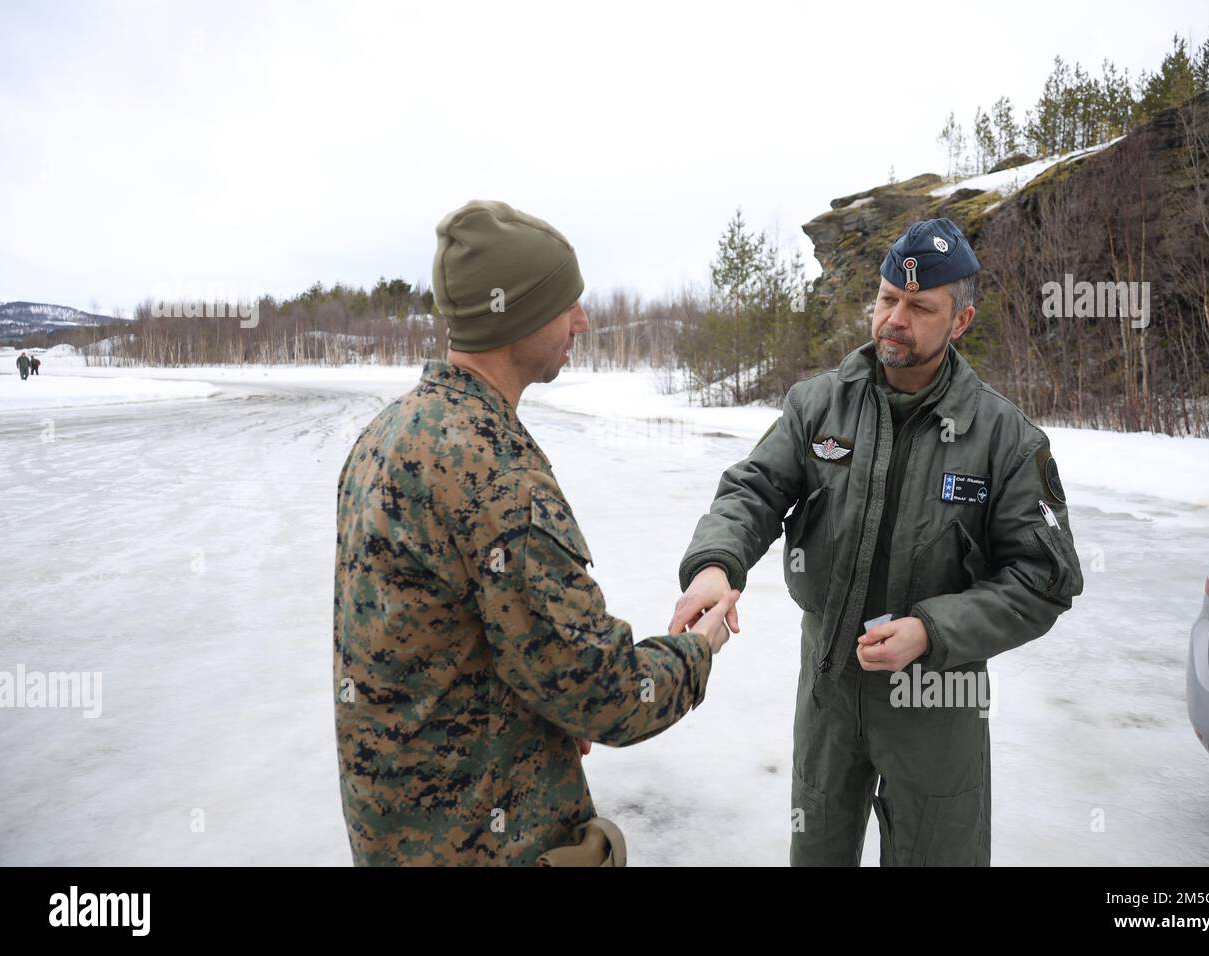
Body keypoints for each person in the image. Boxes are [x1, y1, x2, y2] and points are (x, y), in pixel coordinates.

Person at [334, 199, 736, 866]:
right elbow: (604, 693)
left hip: (399, 832)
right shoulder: (496, 474)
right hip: (486, 841)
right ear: (512, 316)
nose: (582, 321)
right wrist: (699, 647)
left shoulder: (389, 434)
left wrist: (540, 715)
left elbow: (454, 641)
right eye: (564, 304)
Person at [671, 217, 1084, 866]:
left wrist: (933, 629)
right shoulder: (818, 405)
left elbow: (1044, 579)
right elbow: (752, 491)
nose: (895, 317)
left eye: (920, 307)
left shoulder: (1005, 438)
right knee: (817, 850)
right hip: (830, 683)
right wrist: (717, 564)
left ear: (961, 321)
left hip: (936, 693)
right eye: (889, 297)